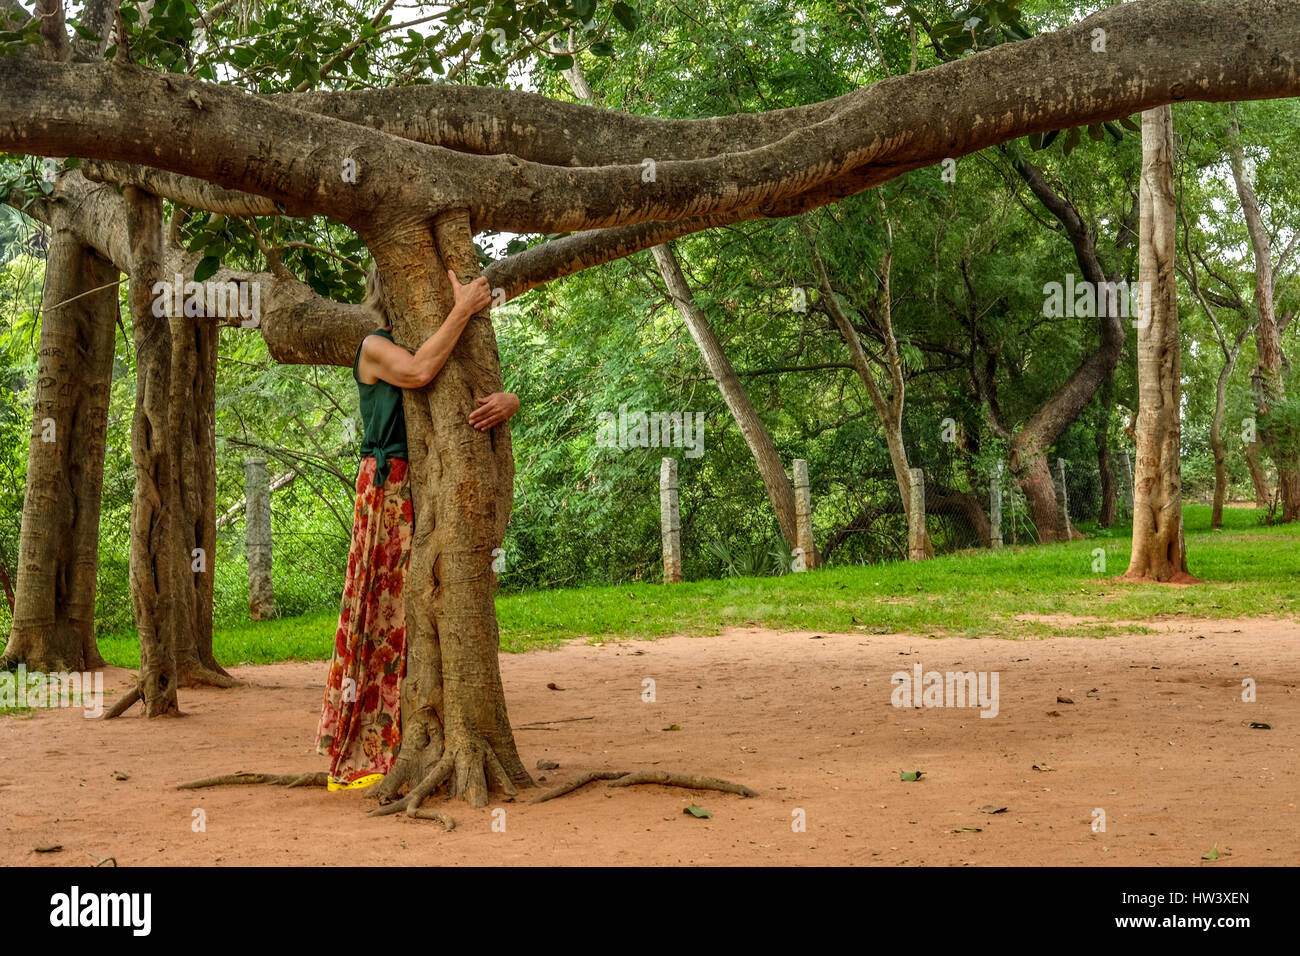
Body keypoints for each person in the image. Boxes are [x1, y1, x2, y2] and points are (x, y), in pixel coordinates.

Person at [315, 264, 521, 791]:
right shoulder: (374, 346)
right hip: (388, 488)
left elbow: (473, 384)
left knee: (433, 605)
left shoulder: (446, 340)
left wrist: (510, 402)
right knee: (383, 609)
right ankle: (369, 746)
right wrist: (463, 307)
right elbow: (418, 373)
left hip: (432, 485)